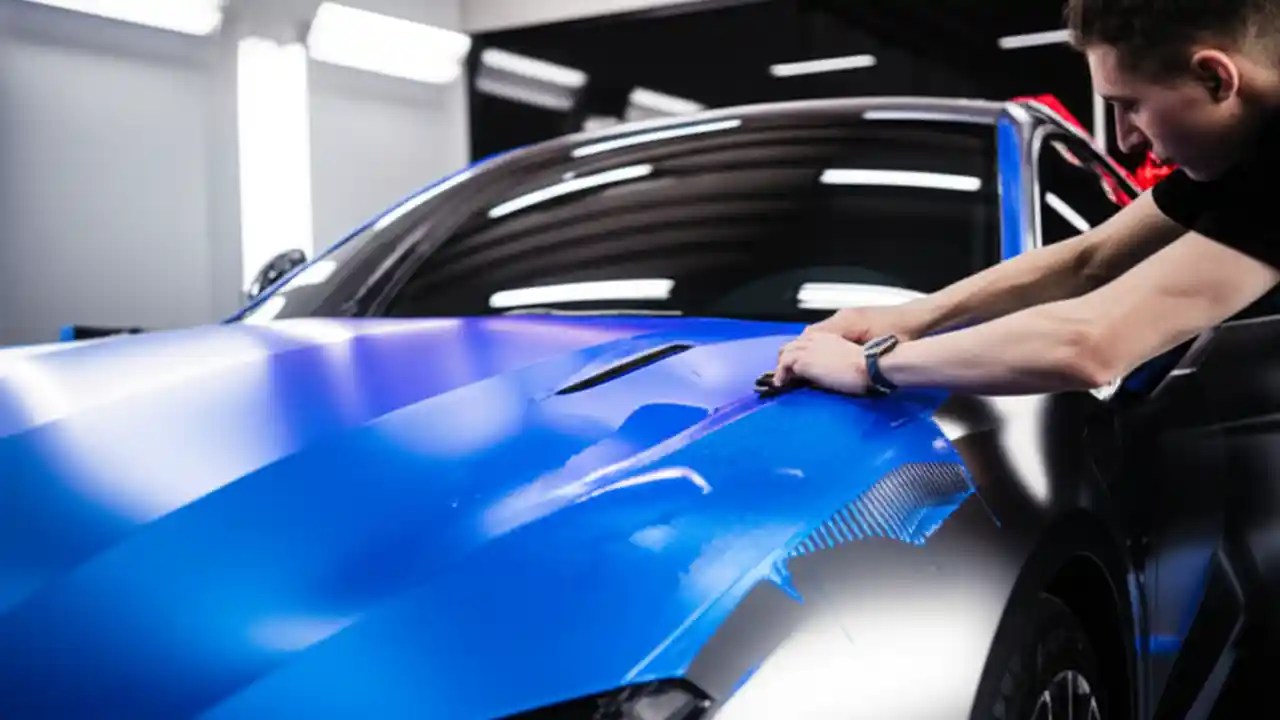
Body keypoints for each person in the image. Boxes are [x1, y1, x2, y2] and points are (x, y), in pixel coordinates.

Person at [774, 0, 1280, 397]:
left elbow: (1090, 344)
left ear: (1216, 78)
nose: (1126, 139)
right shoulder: (1241, 163)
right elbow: (1090, 260)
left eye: (1132, 106)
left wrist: (872, 368)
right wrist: (907, 318)